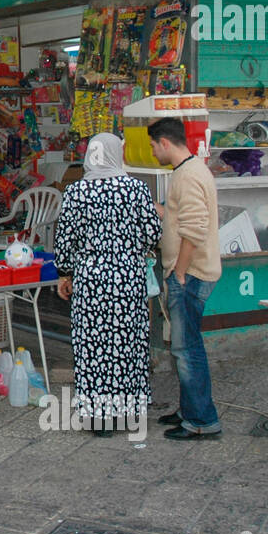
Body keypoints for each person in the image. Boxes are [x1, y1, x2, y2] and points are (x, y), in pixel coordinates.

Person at [55, 133, 163, 436]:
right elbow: (154, 234)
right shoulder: (136, 189)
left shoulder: (76, 193)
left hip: (91, 282)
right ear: (118, 153)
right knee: (128, 344)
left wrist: (66, 274)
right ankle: (130, 413)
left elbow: (64, 242)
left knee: (93, 346)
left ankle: (97, 417)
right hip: (128, 278)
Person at [148, 117, 223, 440]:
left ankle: (202, 421)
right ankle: (189, 410)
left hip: (190, 274)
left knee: (186, 349)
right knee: (184, 347)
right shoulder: (188, 172)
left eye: (153, 146)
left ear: (165, 142)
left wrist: (178, 272)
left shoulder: (188, 176)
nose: (152, 152)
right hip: (187, 272)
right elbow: (180, 217)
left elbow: (194, 228)